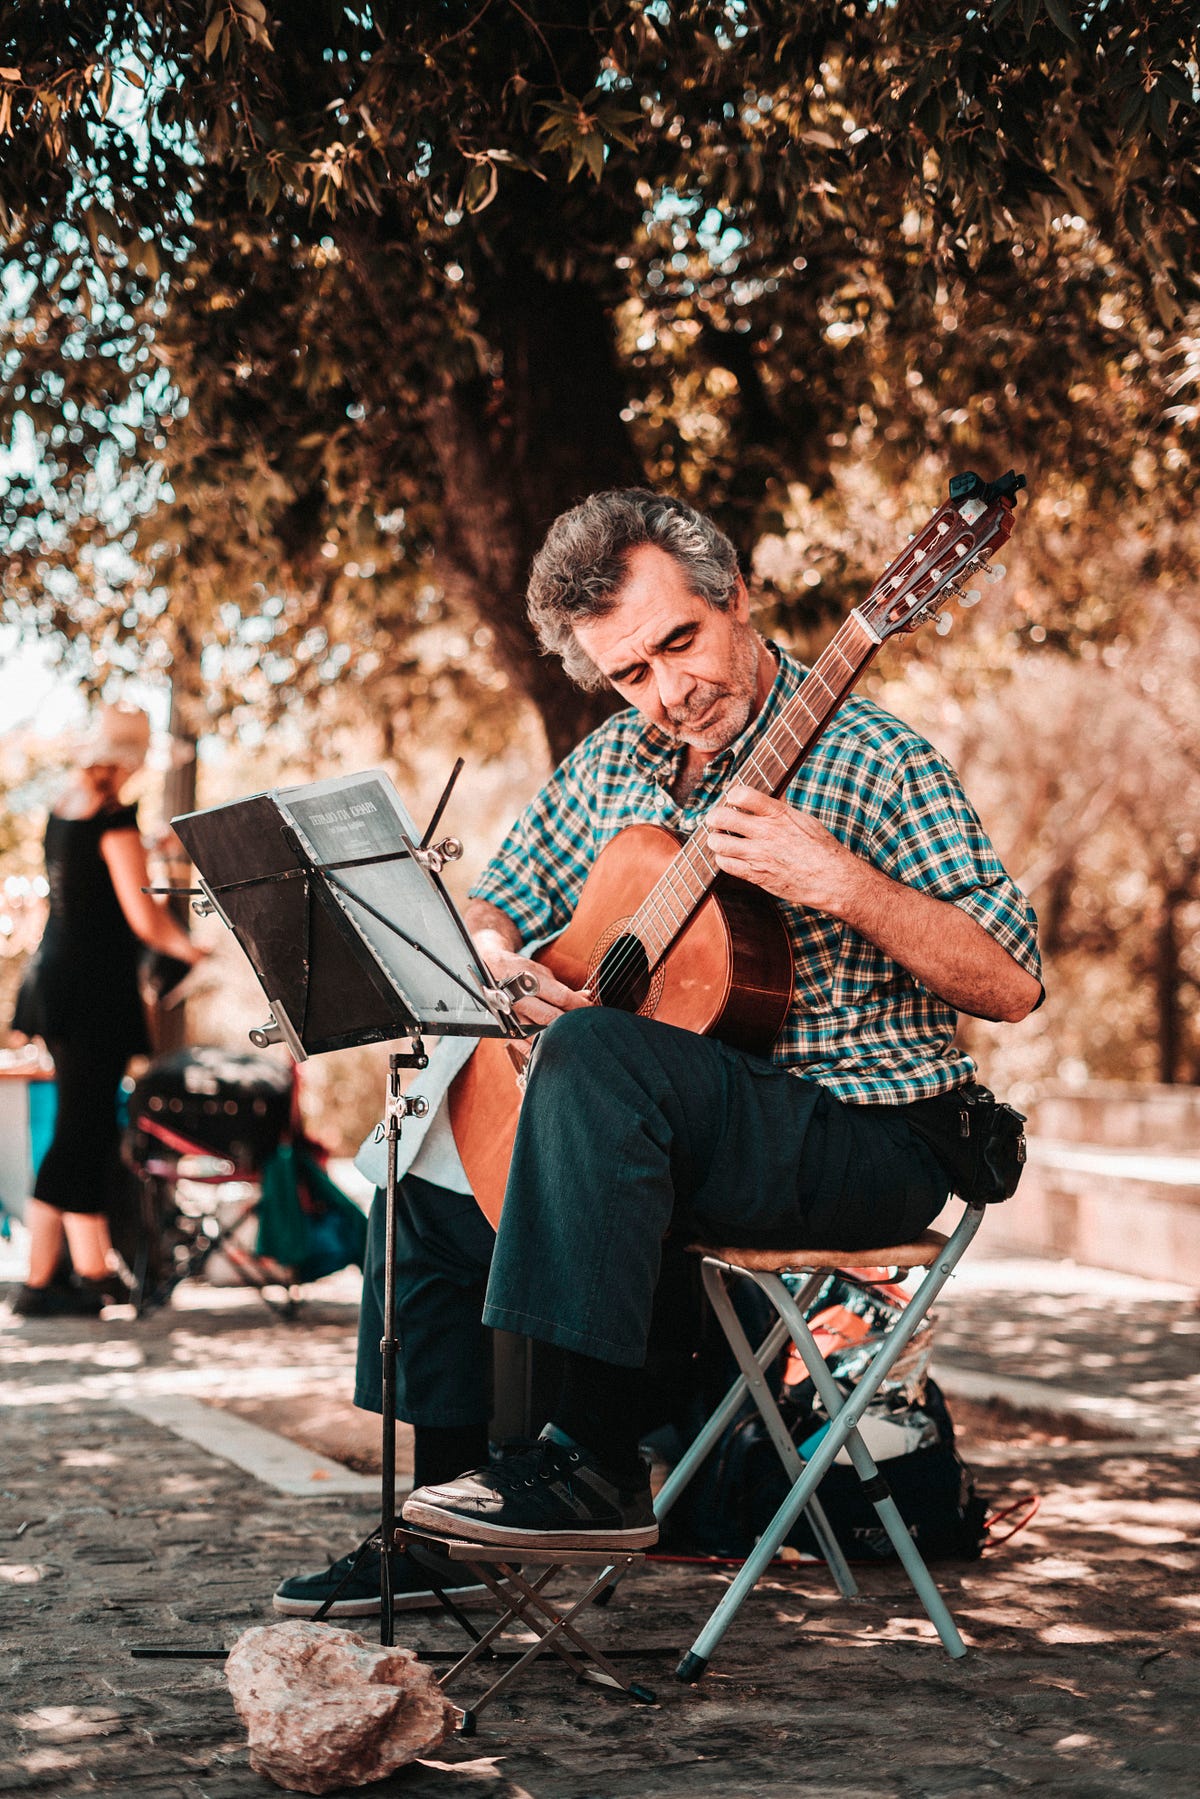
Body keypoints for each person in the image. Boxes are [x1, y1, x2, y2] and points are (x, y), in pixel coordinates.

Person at [274, 488, 1042, 1617]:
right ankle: (447, 1521)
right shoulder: (613, 764)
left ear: (735, 595)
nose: (669, 690)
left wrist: (838, 880)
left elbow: (1012, 979)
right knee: (428, 1144)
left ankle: (590, 1456)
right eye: (630, 671)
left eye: (679, 641)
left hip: (865, 1129)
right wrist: (497, 958)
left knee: (595, 1052)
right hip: (688, 1122)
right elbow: (499, 902)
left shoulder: (877, 757)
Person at [7, 703, 205, 1317]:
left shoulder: (67, 807)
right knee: (83, 1133)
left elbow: (93, 883)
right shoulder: (115, 821)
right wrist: (197, 949)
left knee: (77, 1130)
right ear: (133, 760)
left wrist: (148, 844)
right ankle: (55, 1280)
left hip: (55, 981)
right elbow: (141, 913)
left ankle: (73, 1274)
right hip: (94, 995)